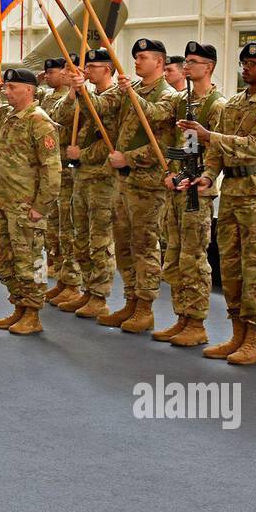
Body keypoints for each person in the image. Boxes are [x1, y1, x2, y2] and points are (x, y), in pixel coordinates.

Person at [179, 41, 256, 365]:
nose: (246, 68)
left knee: (255, 268)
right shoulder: (233, 105)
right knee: (230, 267)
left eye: (253, 64)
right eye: (243, 62)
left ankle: (255, 340)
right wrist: (208, 174)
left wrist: (209, 136)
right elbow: (216, 151)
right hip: (233, 191)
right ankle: (237, 335)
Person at [146, 41, 227, 347]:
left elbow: (218, 148)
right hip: (176, 186)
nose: (187, 66)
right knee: (176, 254)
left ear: (208, 67)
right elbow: (155, 115)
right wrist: (129, 91)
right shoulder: (181, 100)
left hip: (196, 192)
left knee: (193, 257)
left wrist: (202, 177)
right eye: (186, 61)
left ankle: (196, 322)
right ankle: (181, 317)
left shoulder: (218, 105)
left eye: (193, 62)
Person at [96, 39, 177, 334]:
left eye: (142, 57)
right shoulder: (133, 91)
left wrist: (127, 157)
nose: (136, 61)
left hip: (149, 183)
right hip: (125, 181)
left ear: (159, 62)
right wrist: (81, 88)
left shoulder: (168, 95)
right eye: (135, 57)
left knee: (145, 246)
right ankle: (130, 299)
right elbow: (102, 107)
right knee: (123, 243)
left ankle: (145, 307)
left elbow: (160, 132)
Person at [0, 68, 62, 335]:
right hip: (4, 202)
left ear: (29, 90)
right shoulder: (9, 116)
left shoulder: (39, 121)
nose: (7, 91)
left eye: (13, 87)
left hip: (26, 206)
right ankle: (19, 306)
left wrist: (41, 206)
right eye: (6, 87)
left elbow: (52, 169)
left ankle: (34, 312)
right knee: (8, 260)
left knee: (32, 262)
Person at [48, 50, 118, 318]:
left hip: (102, 177)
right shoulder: (87, 94)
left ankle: (99, 295)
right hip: (82, 176)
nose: (87, 70)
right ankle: (87, 290)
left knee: (99, 239)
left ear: (108, 69)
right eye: (85, 66)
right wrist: (73, 92)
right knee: (81, 237)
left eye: (93, 66)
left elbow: (109, 135)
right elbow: (61, 116)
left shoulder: (114, 96)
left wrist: (83, 154)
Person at [38, 57, 82, 302]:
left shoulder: (89, 96)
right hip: (59, 168)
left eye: (67, 69)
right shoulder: (61, 97)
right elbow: (57, 117)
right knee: (62, 227)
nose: (64, 74)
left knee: (73, 229)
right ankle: (66, 278)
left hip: (76, 170)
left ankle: (75, 283)